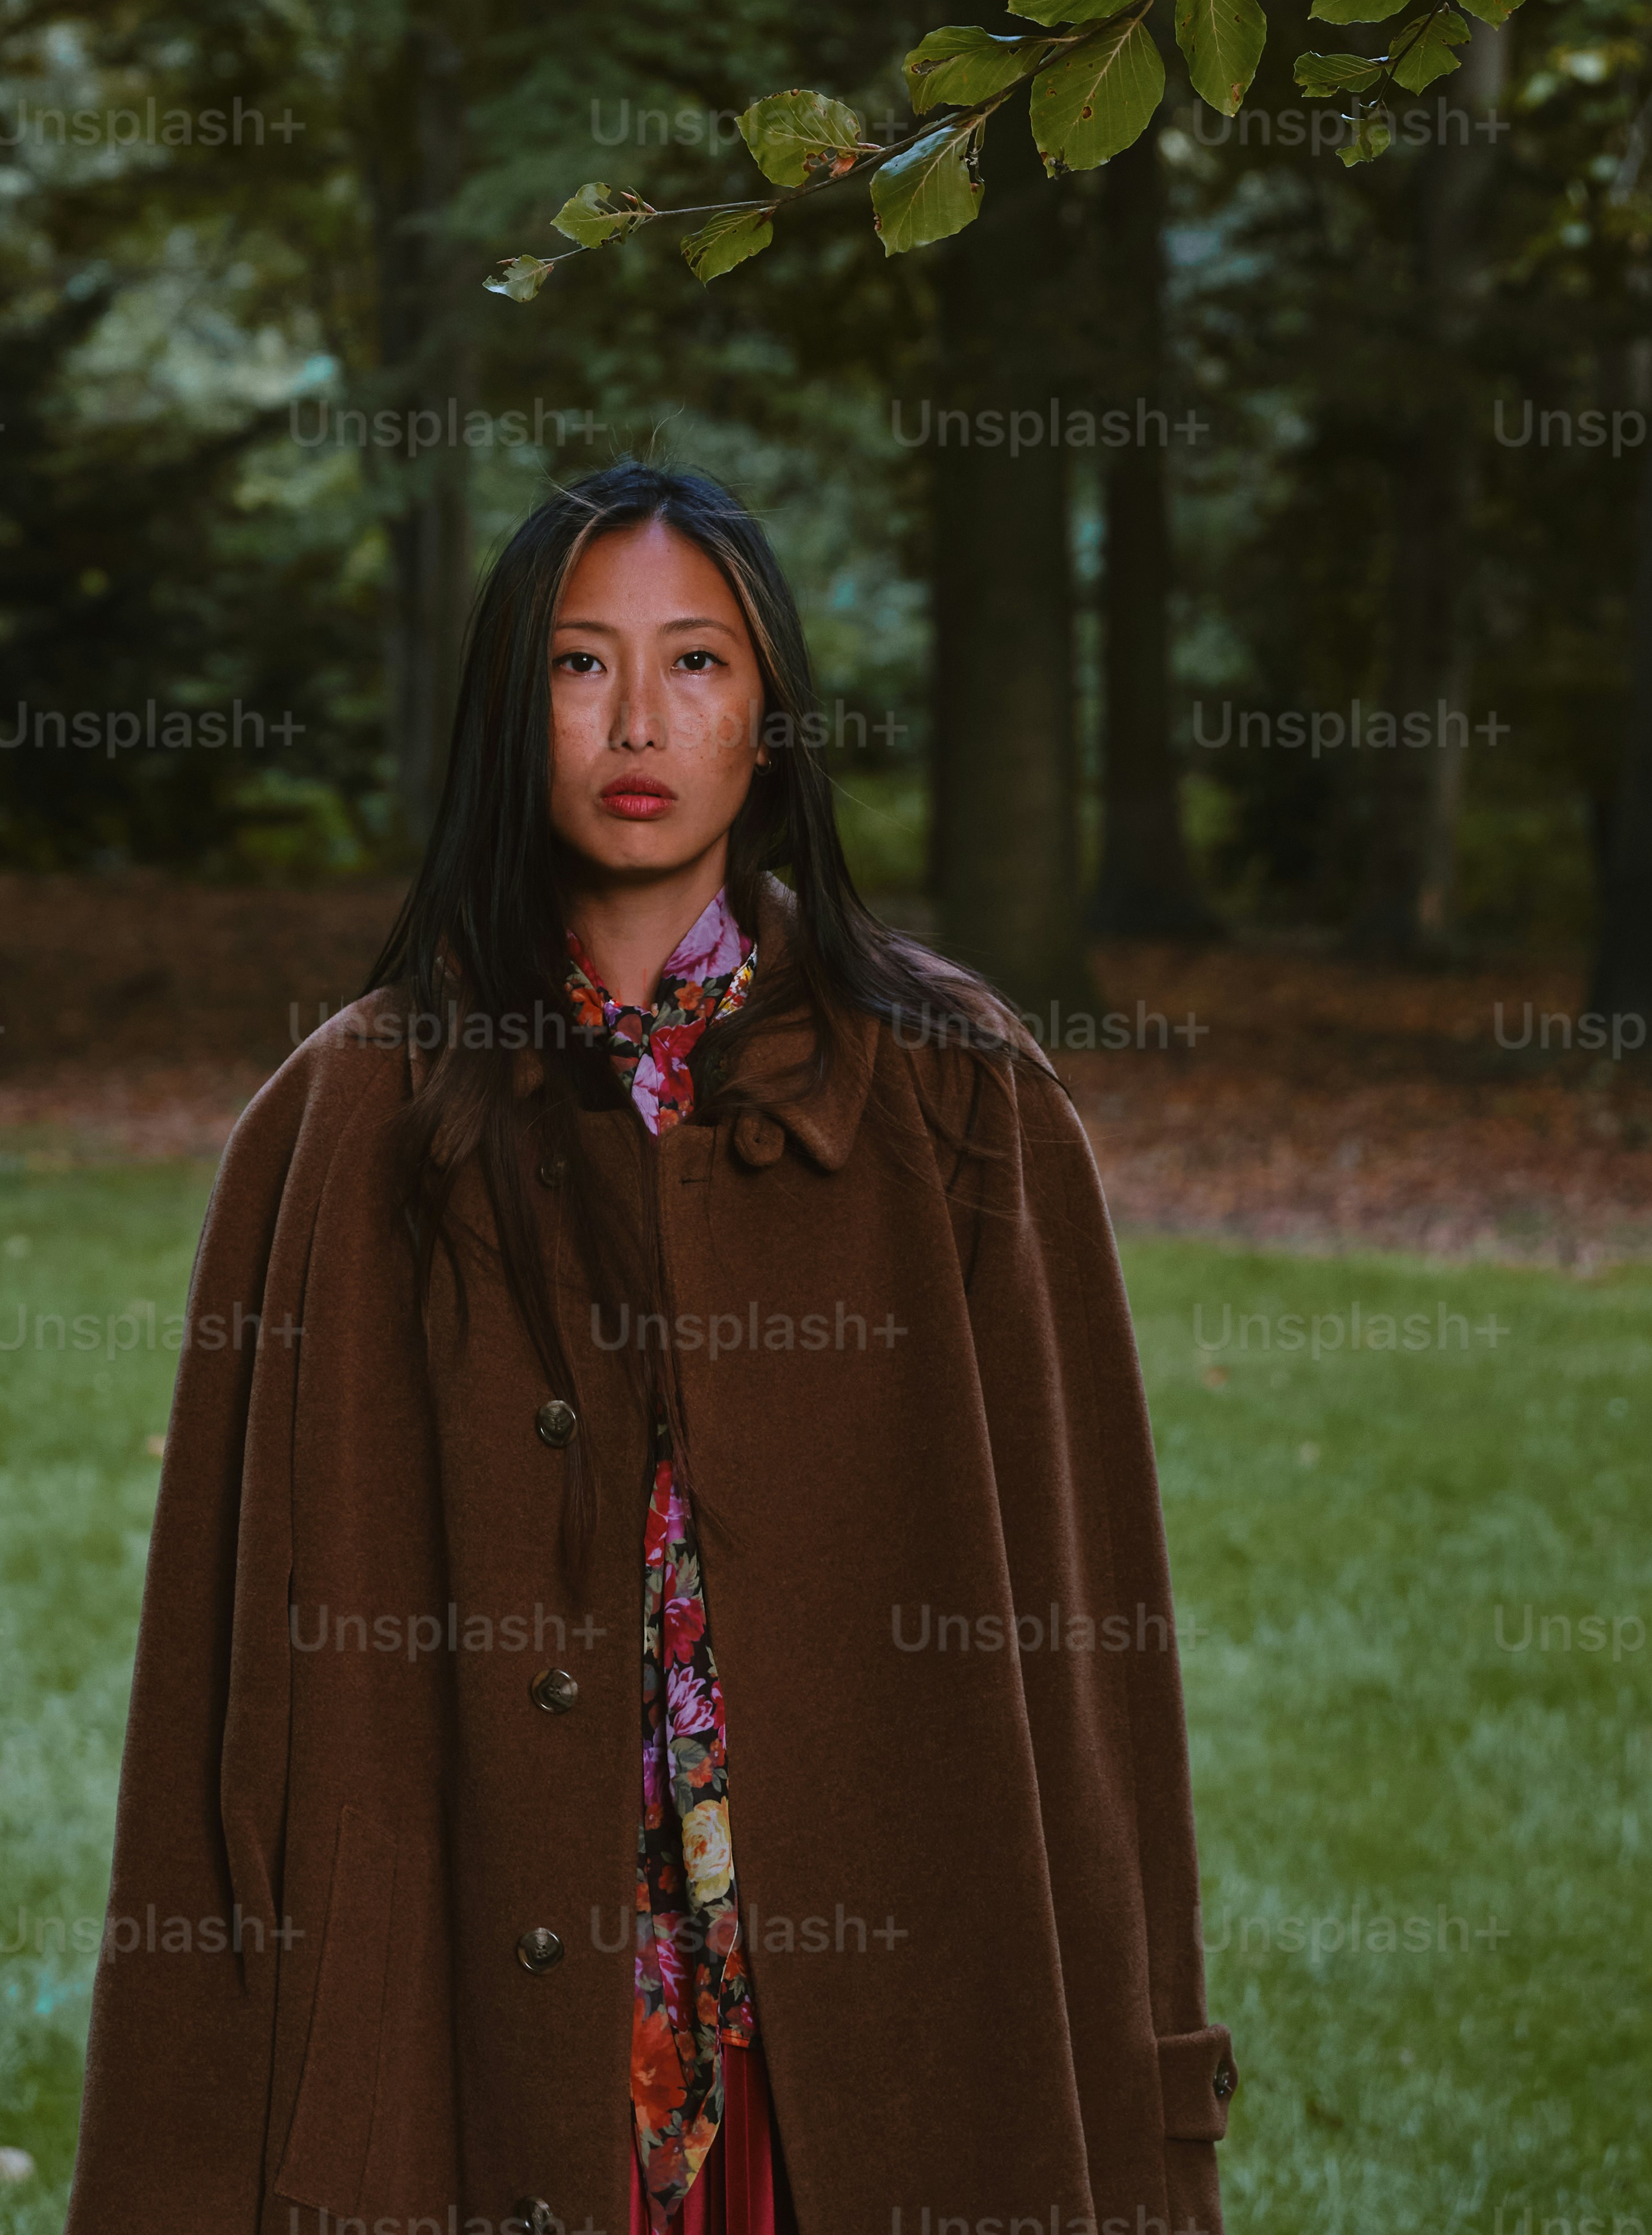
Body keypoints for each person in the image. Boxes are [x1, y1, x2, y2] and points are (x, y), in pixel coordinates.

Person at [62, 460, 1235, 2235]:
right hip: (478, 2026)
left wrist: (1143, 2105)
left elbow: (1095, 1677)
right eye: (577, 661)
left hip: (856, 2030)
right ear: (508, 713)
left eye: (695, 661)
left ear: (772, 720)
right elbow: (220, 1706)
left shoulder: (961, 1104)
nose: (636, 717)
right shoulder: (347, 1118)